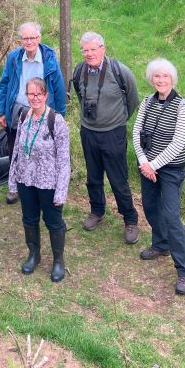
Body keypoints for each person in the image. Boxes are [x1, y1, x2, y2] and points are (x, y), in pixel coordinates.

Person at [133, 58, 185, 295]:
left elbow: (179, 143)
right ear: (151, 79)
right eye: (157, 76)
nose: (161, 80)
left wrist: (154, 165)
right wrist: (143, 161)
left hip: (170, 169)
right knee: (150, 207)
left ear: (172, 79)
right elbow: (136, 131)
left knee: (171, 216)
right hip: (147, 165)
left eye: (165, 76)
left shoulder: (181, 106)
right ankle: (161, 244)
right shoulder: (147, 102)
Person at [72, 32, 140, 244]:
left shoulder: (120, 71)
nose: (89, 54)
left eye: (93, 49)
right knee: (93, 177)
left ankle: (130, 220)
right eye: (85, 50)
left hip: (113, 133)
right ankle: (97, 211)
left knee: (118, 179)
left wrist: (117, 120)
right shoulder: (79, 71)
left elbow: (133, 99)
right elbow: (80, 95)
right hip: (88, 132)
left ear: (103, 49)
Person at [8, 77, 70, 282]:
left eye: (38, 94)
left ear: (45, 95)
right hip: (25, 180)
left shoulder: (56, 121)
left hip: (48, 182)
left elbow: (64, 160)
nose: (34, 98)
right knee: (29, 218)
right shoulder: (23, 115)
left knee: (53, 222)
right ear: (26, 95)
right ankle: (34, 254)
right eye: (30, 94)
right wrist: (13, 180)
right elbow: (17, 150)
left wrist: (61, 191)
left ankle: (58, 260)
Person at [0, 23, 67, 204]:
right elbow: (4, 84)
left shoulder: (49, 58)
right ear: (21, 40)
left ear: (39, 38)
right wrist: (2, 111)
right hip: (18, 109)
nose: (29, 42)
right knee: (16, 148)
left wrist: (60, 114)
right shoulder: (14, 58)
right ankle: (15, 187)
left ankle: (40, 184)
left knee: (42, 149)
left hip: (41, 109)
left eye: (32, 38)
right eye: (25, 38)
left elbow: (59, 87)